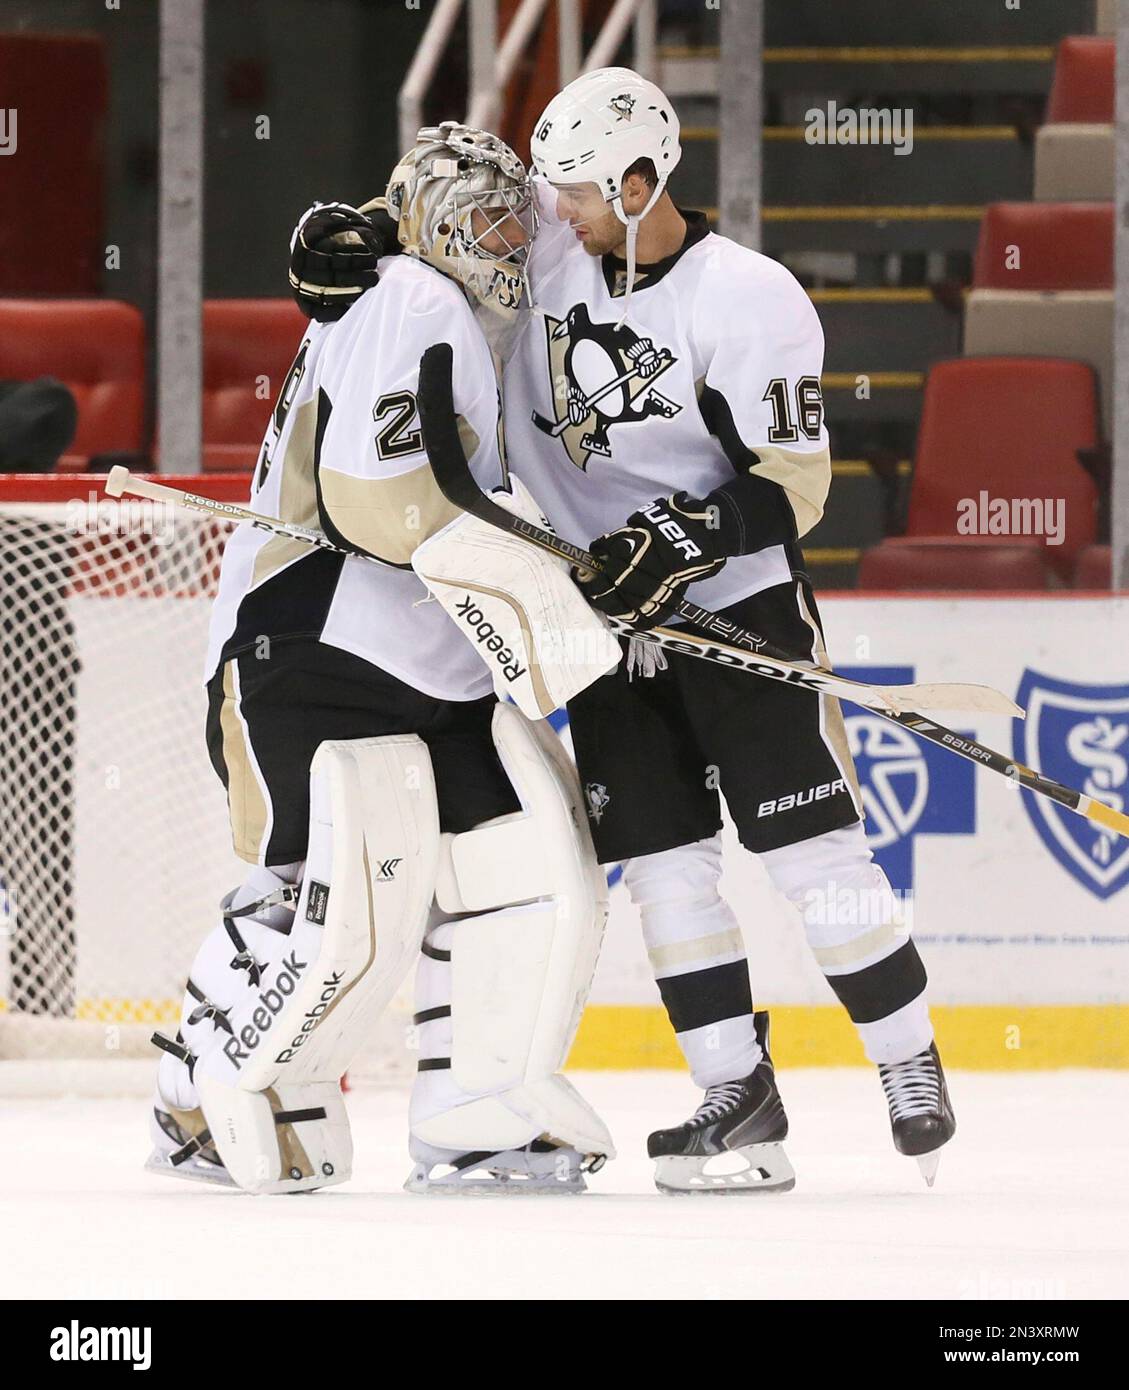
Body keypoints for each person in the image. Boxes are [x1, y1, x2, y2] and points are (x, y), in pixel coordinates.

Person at [285, 71, 956, 1194]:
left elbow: (796, 484)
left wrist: (692, 533)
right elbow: (448, 219)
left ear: (643, 183)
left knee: (809, 853)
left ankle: (907, 1062)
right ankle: (735, 1097)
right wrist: (347, 247)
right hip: (599, 625)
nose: (554, 213)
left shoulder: (750, 296)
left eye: (581, 192)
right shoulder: (546, 251)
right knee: (662, 866)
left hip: (730, 606)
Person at [147, 123, 617, 1196]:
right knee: (317, 882)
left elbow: (556, 217)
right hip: (315, 640)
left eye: (516, 216)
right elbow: (377, 500)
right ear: (439, 224)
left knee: (518, 868)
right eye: (488, 219)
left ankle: (476, 1113)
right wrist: (545, 568)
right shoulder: (412, 295)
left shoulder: (435, 289)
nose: (510, 236)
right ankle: (198, 1093)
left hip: (430, 658)